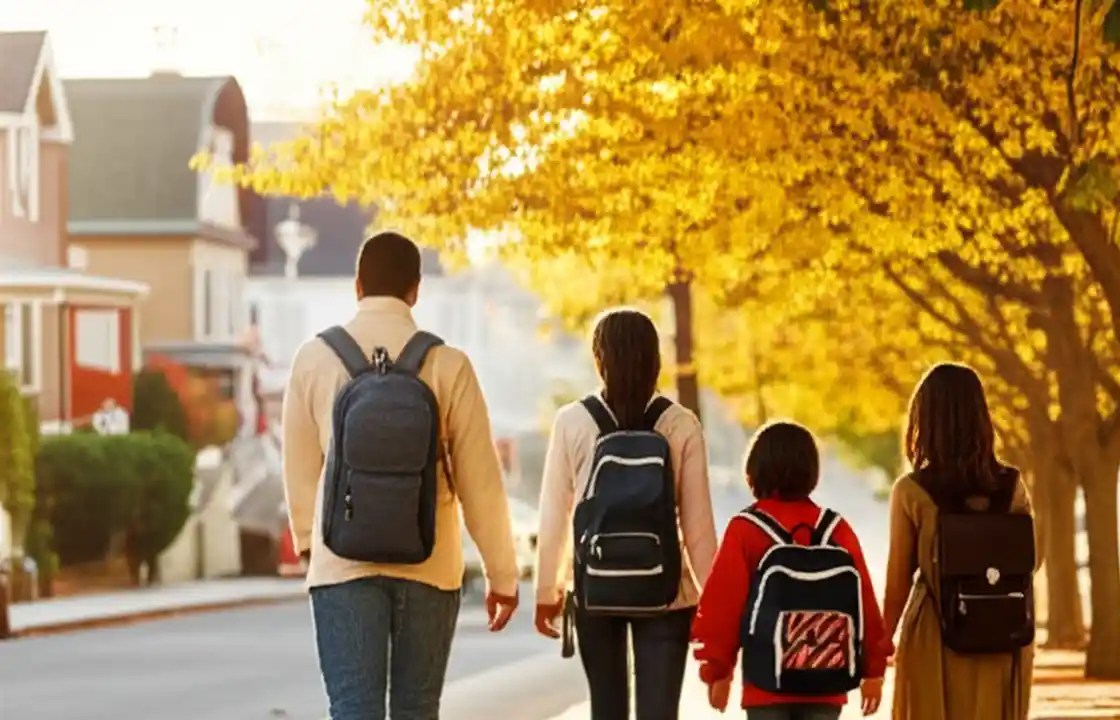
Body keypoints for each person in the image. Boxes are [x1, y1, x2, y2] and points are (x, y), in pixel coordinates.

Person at [282, 231, 520, 720]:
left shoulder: (313, 359)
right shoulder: (449, 365)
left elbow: (300, 467)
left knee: (353, 709)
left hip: (342, 564)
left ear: (357, 286)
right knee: (417, 709)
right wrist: (502, 575)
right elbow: (481, 482)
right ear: (416, 290)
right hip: (430, 563)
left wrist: (312, 545)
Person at [533, 308, 719, 720]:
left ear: (600, 358)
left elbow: (554, 516)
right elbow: (698, 527)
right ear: (655, 359)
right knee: (660, 713)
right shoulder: (681, 423)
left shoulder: (572, 421)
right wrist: (718, 604)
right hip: (668, 591)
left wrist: (548, 591)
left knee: (607, 709)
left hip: (595, 589)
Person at [692, 421, 889, 719]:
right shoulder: (835, 529)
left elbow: (723, 606)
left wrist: (718, 671)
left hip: (766, 685)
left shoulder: (746, 529)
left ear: (755, 468)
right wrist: (873, 671)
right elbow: (864, 603)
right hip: (827, 681)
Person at [882, 363, 1037, 720]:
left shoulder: (911, 491)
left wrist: (878, 650)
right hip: (1002, 634)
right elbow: (1029, 561)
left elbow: (897, 585)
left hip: (935, 636)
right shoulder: (1012, 486)